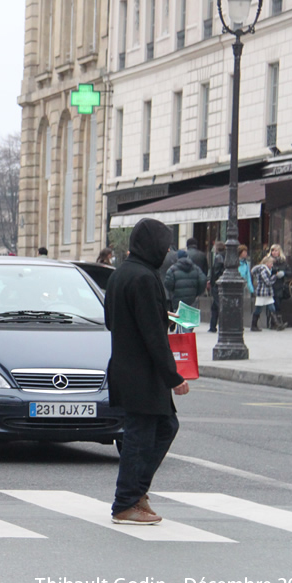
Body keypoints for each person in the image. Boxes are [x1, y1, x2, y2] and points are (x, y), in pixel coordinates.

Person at [104, 218, 189, 525]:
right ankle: (126, 501)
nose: (166, 250)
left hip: (125, 367)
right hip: (142, 372)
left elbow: (111, 320)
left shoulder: (121, 274)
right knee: (141, 435)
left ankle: (137, 492)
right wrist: (174, 376)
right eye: (164, 244)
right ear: (152, 245)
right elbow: (153, 335)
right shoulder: (144, 278)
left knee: (164, 426)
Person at [163, 249, 206, 331]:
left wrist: (173, 292)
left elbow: (168, 283)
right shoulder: (196, 268)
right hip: (191, 299)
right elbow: (203, 280)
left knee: (180, 321)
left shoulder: (172, 269)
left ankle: (183, 338)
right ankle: (186, 336)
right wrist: (197, 293)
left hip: (177, 299)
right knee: (189, 322)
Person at [250, 255, 286, 331]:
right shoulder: (263, 270)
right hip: (263, 292)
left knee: (271, 307)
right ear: (267, 263)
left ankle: (277, 324)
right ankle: (254, 325)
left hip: (266, 292)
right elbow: (268, 282)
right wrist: (276, 276)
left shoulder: (265, 270)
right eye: (271, 263)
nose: (272, 265)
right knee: (259, 309)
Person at [207, 241, 225, 333]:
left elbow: (216, 271)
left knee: (218, 304)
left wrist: (212, 282)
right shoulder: (224, 255)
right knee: (215, 306)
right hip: (220, 283)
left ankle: (221, 325)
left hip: (217, 285)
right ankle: (212, 326)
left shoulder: (218, 257)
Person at [269, 244, 291, 320]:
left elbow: (289, 272)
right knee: (271, 304)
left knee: (278, 304)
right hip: (270, 285)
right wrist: (275, 273)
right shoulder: (268, 260)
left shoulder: (283, 262)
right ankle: (272, 322)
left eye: (276, 250)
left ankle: (277, 321)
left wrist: (283, 273)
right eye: (273, 250)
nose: (274, 252)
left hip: (280, 286)